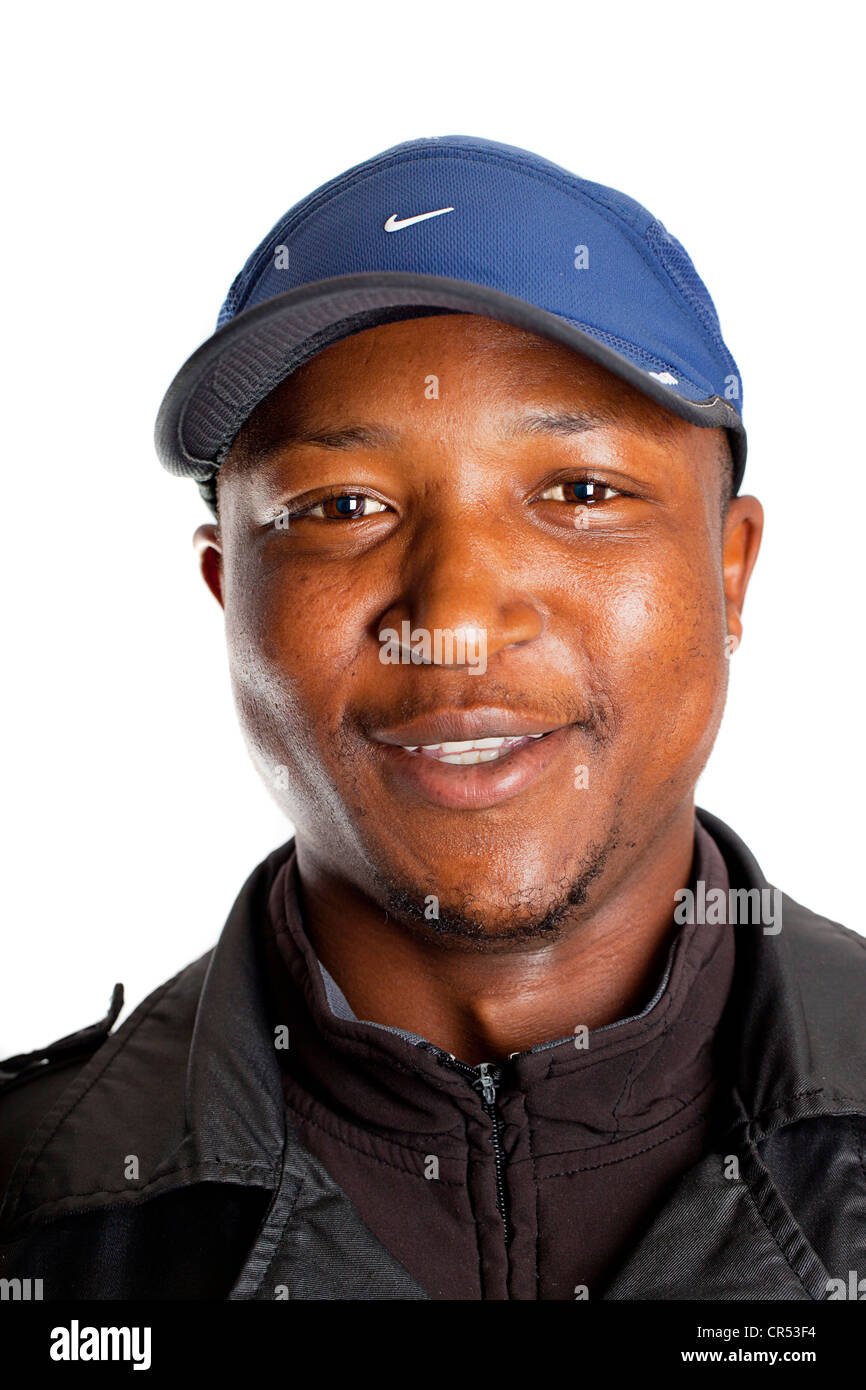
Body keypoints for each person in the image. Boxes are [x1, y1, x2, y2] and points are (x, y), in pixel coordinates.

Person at [2, 135, 863, 1302]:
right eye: (341, 506)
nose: (453, 618)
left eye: (578, 492)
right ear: (225, 592)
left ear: (728, 572)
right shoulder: (32, 1216)